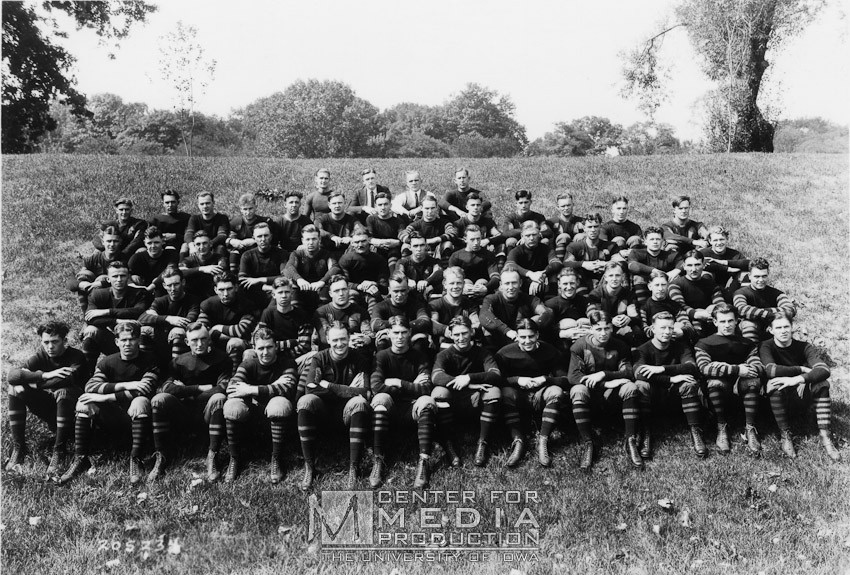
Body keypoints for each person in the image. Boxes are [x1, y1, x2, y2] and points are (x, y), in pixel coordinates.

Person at [59, 321, 158, 485]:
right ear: (116, 341)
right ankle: (81, 457)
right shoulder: (107, 362)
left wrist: (104, 397)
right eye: (123, 339)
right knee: (85, 402)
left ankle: (136, 457)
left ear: (139, 340)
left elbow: (144, 389)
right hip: (112, 415)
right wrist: (127, 384)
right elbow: (91, 386)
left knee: (140, 401)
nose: (127, 343)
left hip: (137, 417)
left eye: (132, 339)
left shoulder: (150, 360)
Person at [5, 321, 91, 477]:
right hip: (51, 409)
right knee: (15, 388)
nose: (50, 347)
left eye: (55, 342)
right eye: (46, 342)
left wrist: (32, 382)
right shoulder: (40, 357)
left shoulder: (76, 356)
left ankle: (60, 449)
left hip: (75, 415)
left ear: (65, 341)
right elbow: (12, 376)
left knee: (63, 392)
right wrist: (45, 375)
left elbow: (64, 380)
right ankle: (19, 447)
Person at [149, 322, 230, 482]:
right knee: (159, 400)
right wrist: (202, 387)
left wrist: (185, 391)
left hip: (209, 412)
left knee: (219, 399)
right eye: (194, 340)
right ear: (187, 342)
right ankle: (161, 455)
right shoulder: (178, 361)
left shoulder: (222, 359)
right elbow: (168, 389)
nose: (199, 344)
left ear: (209, 340)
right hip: (182, 413)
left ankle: (212, 455)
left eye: (203, 339)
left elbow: (222, 389)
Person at [296, 322, 371, 490]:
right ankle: (309, 466)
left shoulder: (359, 359)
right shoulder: (319, 358)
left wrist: (329, 386)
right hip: (323, 409)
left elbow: (365, 392)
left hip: (347, 411)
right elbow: (310, 387)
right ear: (328, 340)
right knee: (305, 401)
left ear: (349, 338)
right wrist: (349, 389)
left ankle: (354, 467)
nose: (339, 344)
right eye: (335, 340)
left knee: (360, 402)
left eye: (343, 339)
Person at [759, 312, 841, 461]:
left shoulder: (804, 346)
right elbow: (771, 370)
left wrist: (798, 380)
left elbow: (824, 369)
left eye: (786, 326)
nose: (783, 331)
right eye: (778, 327)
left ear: (792, 328)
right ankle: (785, 434)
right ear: (771, 330)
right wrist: (801, 370)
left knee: (822, 384)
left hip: (799, 396)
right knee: (775, 383)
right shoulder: (766, 346)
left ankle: (825, 435)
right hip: (776, 402)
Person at [568, 311, 642, 469]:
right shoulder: (580, 346)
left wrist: (604, 374)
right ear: (591, 329)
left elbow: (628, 372)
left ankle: (630, 439)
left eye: (607, 328)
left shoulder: (620, 345)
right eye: (598, 328)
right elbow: (574, 376)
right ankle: (588, 441)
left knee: (630, 386)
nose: (603, 333)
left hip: (612, 394)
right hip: (592, 393)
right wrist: (605, 383)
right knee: (577, 390)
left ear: (612, 328)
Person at [369, 316, 437, 488]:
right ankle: (378, 460)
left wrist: (399, 383)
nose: (399, 337)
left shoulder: (419, 356)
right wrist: (412, 385)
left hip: (412, 406)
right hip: (391, 406)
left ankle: (424, 461)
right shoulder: (381, 356)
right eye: (396, 333)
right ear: (389, 334)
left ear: (410, 333)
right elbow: (377, 386)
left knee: (426, 401)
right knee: (380, 399)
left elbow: (426, 388)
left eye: (403, 333)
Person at [224, 326, 298, 482]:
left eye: (269, 347)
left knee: (279, 403)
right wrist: (273, 386)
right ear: (254, 349)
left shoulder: (287, 363)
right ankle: (234, 458)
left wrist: (251, 390)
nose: (265, 352)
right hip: (252, 415)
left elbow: (287, 388)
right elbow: (232, 388)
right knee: (233, 406)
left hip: (278, 416)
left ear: (276, 346)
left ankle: (276, 458)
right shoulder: (249, 364)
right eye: (261, 348)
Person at [496, 319, 569, 468]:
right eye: (522, 337)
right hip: (517, 395)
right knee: (504, 393)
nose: (527, 341)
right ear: (517, 336)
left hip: (540, 394)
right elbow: (497, 380)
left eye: (531, 336)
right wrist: (517, 380)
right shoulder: (505, 353)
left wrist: (545, 379)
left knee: (556, 391)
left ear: (537, 335)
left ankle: (543, 440)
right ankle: (518, 441)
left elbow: (565, 379)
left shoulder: (550, 351)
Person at [694, 304, 764, 455]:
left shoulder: (746, 343)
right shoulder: (705, 343)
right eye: (723, 321)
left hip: (741, 388)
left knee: (753, 381)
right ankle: (721, 426)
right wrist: (737, 369)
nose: (727, 325)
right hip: (719, 390)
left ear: (737, 321)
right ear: (715, 322)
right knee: (714, 382)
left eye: (730, 321)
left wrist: (722, 367)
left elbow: (757, 367)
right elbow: (704, 368)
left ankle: (750, 427)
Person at [431, 316, 502, 467]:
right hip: (455, 397)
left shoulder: (483, 353)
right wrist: (466, 384)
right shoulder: (444, 354)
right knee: (438, 393)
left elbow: (495, 375)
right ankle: (448, 443)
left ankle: (483, 442)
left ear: (471, 332)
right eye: (456, 334)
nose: (461, 338)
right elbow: (436, 377)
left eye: (464, 333)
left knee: (494, 392)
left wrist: (470, 377)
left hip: (475, 399)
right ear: (450, 334)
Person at [633, 312, 704, 459]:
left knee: (689, 381)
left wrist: (663, 369)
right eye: (662, 328)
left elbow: (692, 367)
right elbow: (639, 373)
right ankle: (646, 431)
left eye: (670, 328)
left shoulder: (681, 347)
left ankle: (695, 431)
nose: (667, 332)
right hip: (653, 397)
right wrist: (670, 379)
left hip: (674, 397)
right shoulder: (642, 350)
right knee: (640, 384)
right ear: (653, 328)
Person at [80, 260, 148, 365]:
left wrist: (107, 312)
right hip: (113, 340)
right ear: (108, 279)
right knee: (91, 330)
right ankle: (87, 373)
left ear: (128, 277)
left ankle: (145, 366)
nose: (119, 280)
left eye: (123, 276)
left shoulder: (139, 293)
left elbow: (138, 311)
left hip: (135, 341)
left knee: (145, 330)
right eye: (115, 276)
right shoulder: (98, 295)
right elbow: (91, 318)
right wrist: (117, 321)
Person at [138, 266, 201, 362]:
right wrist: (169, 319)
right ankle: (146, 365)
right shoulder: (160, 301)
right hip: (162, 338)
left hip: (183, 340)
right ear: (164, 285)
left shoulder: (193, 301)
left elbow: (188, 322)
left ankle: (176, 370)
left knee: (177, 331)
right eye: (169, 285)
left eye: (176, 284)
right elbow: (142, 318)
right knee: (145, 329)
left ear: (183, 282)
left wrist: (157, 318)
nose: (172, 289)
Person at [480, 266, 551, 350]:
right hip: (501, 341)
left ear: (520, 283)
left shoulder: (530, 299)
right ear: (501, 284)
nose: (510, 287)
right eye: (507, 283)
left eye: (514, 283)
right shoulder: (492, 299)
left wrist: (529, 326)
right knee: (485, 329)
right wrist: (507, 331)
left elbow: (547, 313)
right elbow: (484, 315)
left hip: (525, 341)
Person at [198, 272, 257, 367]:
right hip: (215, 342)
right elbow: (201, 329)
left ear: (236, 288)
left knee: (234, 343)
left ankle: (234, 377)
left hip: (242, 343)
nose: (225, 294)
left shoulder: (246, 305)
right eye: (221, 290)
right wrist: (221, 335)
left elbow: (242, 331)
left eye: (229, 289)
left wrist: (219, 328)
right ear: (215, 290)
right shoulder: (208, 305)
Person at [733, 258, 796, 343]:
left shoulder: (776, 293)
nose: (761, 280)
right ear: (749, 276)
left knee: (785, 325)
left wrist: (761, 312)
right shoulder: (740, 293)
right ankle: (752, 353)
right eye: (757, 276)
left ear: (768, 274)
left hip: (770, 328)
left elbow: (790, 309)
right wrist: (771, 314)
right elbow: (742, 309)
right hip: (746, 332)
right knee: (749, 324)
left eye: (764, 276)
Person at [67, 224, 127, 312]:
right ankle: (87, 314)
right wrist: (81, 284)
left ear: (120, 241)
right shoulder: (93, 259)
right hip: (94, 294)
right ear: (103, 242)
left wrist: (101, 283)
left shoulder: (125, 259)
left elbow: (126, 280)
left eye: (115, 241)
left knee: (102, 278)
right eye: (109, 241)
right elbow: (72, 281)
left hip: (116, 293)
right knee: (84, 276)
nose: (112, 244)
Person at [370, 271, 431, 354]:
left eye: (403, 290)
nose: (399, 294)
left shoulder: (416, 305)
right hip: (390, 340)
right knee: (382, 340)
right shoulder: (380, 306)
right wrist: (390, 325)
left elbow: (425, 321)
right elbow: (374, 324)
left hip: (410, 338)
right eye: (396, 291)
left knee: (421, 340)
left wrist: (399, 328)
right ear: (389, 290)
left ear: (408, 289)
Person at [258, 277, 313, 367]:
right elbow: (261, 342)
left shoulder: (301, 315)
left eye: (287, 292)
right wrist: (292, 342)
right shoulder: (268, 313)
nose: (284, 296)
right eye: (280, 292)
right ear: (273, 295)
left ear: (292, 293)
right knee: (249, 353)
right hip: (271, 359)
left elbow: (304, 347)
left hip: (295, 359)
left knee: (313, 355)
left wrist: (277, 349)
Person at [668, 250, 724, 338]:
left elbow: (720, 303)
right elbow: (679, 305)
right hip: (686, 320)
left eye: (697, 265)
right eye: (689, 265)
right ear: (684, 266)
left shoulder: (711, 284)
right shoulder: (676, 284)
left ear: (703, 265)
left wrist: (712, 312)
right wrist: (695, 313)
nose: (693, 269)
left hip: (709, 317)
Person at [337, 225, 390, 315]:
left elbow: (384, 284)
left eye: (363, 241)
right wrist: (359, 286)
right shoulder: (346, 259)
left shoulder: (379, 259)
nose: (360, 245)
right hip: (353, 290)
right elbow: (343, 282)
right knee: (351, 299)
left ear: (369, 240)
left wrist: (374, 284)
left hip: (372, 290)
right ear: (352, 243)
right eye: (357, 242)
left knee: (373, 299)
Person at [586, 262, 642, 344]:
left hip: (620, 327)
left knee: (636, 331)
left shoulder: (629, 294)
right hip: (602, 327)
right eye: (611, 275)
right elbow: (594, 317)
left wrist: (629, 319)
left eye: (617, 275)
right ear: (605, 277)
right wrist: (611, 320)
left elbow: (635, 316)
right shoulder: (595, 295)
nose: (614, 279)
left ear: (623, 277)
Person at [314, 274, 374, 350]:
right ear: (330, 294)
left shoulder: (360, 311)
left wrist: (367, 338)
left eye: (344, 289)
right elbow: (324, 339)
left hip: (355, 353)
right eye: (336, 291)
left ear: (348, 290)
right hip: (330, 355)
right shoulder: (321, 312)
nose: (341, 294)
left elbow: (369, 334)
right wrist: (347, 342)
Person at [284, 224, 336, 312]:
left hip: (320, 289)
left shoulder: (327, 254)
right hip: (302, 289)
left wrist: (322, 281)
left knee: (325, 295)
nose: (311, 242)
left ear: (319, 240)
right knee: (292, 292)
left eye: (314, 239)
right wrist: (299, 279)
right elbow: (289, 268)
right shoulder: (297, 254)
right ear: (302, 240)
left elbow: (335, 268)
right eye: (307, 239)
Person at [627, 226, 682, 306]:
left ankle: (677, 307)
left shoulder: (670, 255)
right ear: (645, 242)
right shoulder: (637, 253)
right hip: (644, 287)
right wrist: (654, 271)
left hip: (663, 288)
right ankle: (644, 308)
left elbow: (683, 262)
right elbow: (632, 266)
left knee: (677, 277)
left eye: (658, 239)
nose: (655, 242)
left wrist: (676, 271)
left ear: (663, 242)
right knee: (638, 277)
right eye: (652, 239)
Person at [237, 222, 288, 308]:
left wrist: (259, 280)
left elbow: (285, 278)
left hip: (276, 293)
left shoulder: (282, 254)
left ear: (271, 236)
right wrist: (265, 287)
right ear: (254, 238)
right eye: (259, 236)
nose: (263, 239)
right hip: (254, 293)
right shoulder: (247, 255)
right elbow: (243, 280)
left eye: (266, 235)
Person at [506, 221, 562, 297]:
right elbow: (509, 265)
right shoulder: (516, 251)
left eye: (534, 235)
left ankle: (551, 300)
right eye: (528, 235)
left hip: (542, 280)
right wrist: (530, 274)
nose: (531, 238)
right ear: (522, 236)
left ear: (539, 235)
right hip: (524, 282)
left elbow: (556, 263)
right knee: (511, 274)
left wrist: (542, 275)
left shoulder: (546, 249)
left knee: (554, 273)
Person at [430, 267, 481, 349]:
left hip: (465, 345)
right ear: (445, 284)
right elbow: (432, 323)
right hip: (444, 347)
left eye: (459, 283)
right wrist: (448, 330)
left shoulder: (470, 304)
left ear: (464, 283)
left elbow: (476, 323)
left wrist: (464, 333)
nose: (455, 286)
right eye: (451, 283)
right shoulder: (435, 305)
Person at [639, 270, 695, 343]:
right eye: (657, 285)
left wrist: (682, 330)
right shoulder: (644, 307)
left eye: (663, 285)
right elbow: (644, 330)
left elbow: (689, 327)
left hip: (675, 342)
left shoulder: (675, 305)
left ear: (668, 285)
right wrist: (669, 330)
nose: (660, 289)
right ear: (650, 286)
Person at [562, 213, 613, 293]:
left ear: (600, 227)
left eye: (596, 226)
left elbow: (621, 262)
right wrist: (584, 264)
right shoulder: (575, 247)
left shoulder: (610, 246)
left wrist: (605, 264)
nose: (593, 230)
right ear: (584, 228)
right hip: (582, 282)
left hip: (604, 282)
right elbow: (566, 263)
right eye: (589, 227)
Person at [448, 225, 501, 299]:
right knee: (466, 281)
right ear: (465, 239)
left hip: (483, 290)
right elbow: (450, 278)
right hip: (463, 292)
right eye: (472, 239)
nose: (476, 242)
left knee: (481, 281)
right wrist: (462, 287)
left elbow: (495, 278)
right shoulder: (456, 256)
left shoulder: (488, 255)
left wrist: (486, 288)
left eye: (478, 239)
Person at [698, 226, 750, 301]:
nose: (719, 243)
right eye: (715, 240)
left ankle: (742, 301)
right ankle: (706, 301)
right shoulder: (703, 253)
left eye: (721, 239)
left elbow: (748, 264)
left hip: (731, 286)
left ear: (727, 239)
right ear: (710, 241)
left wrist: (723, 262)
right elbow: (703, 265)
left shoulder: (735, 254)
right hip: (711, 287)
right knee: (704, 273)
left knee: (745, 274)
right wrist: (728, 269)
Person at [543, 269, 590, 351]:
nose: (569, 287)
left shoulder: (584, 301)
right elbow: (545, 331)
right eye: (565, 284)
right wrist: (563, 333)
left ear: (577, 283)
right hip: (560, 346)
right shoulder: (550, 304)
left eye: (572, 283)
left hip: (583, 343)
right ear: (559, 284)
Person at [399, 196, 457, 263]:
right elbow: (402, 235)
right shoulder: (415, 224)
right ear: (421, 209)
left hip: (437, 253)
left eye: (432, 208)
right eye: (427, 208)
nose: (430, 211)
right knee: (405, 246)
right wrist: (420, 241)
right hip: (420, 254)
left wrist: (436, 239)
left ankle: (445, 268)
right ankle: (407, 268)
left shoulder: (444, 223)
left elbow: (453, 233)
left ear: (437, 208)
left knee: (447, 244)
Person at [128, 227, 179, 297]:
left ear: (163, 241)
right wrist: (132, 283)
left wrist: (152, 285)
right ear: (145, 243)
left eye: (156, 242)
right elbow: (125, 273)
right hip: (142, 292)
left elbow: (170, 269)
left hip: (165, 292)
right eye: (149, 243)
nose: (153, 246)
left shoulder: (171, 254)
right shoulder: (137, 258)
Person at [227, 192, 270, 274]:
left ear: (256, 207)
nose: (248, 212)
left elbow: (271, 238)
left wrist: (253, 241)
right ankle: (234, 276)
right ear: (240, 209)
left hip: (258, 249)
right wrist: (232, 240)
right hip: (240, 248)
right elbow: (230, 237)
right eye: (245, 209)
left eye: (250, 208)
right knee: (233, 253)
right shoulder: (235, 222)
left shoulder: (264, 221)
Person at [179, 230, 228, 299]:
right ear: (194, 246)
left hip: (212, 295)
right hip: (193, 295)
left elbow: (222, 269)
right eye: (198, 244)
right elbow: (179, 273)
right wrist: (202, 269)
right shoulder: (188, 260)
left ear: (210, 244)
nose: (201, 247)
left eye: (205, 243)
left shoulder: (219, 258)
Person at [395, 232, 442, 299]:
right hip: (409, 298)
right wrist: (407, 280)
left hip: (428, 297)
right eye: (415, 246)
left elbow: (439, 272)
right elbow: (398, 274)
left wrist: (427, 281)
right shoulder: (402, 262)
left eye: (422, 245)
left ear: (426, 246)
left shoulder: (434, 261)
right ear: (410, 247)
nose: (419, 249)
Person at [184, 191, 230, 257]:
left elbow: (222, 236)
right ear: (198, 205)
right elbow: (188, 234)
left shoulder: (222, 218)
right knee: (185, 246)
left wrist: (207, 245)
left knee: (220, 247)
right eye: (202, 204)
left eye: (207, 203)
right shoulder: (194, 218)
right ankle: (182, 266)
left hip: (214, 247)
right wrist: (191, 246)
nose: (205, 206)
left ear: (213, 203)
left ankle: (221, 267)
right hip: (198, 248)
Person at [365, 191, 404, 268]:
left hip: (393, 248)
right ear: (376, 206)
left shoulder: (398, 220)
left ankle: (393, 277)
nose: (383, 207)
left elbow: (402, 236)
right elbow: (368, 236)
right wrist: (380, 242)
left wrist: (396, 242)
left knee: (393, 258)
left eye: (386, 204)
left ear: (390, 205)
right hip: (377, 247)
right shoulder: (371, 219)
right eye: (380, 205)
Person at [315, 191, 357, 259]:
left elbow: (361, 230)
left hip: (346, 254)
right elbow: (316, 230)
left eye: (340, 203)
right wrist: (331, 236)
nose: (337, 206)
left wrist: (352, 238)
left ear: (345, 203)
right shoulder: (322, 219)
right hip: (326, 254)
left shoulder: (352, 219)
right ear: (329, 205)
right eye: (334, 203)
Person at [600, 196, 643, 260]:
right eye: (618, 208)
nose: (621, 212)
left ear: (627, 210)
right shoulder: (605, 227)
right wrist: (618, 251)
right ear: (612, 210)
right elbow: (603, 248)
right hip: (614, 259)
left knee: (635, 239)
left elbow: (643, 247)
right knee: (619, 240)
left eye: (624, 208)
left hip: (633, 258)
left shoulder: (635, 227)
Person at [149, 189, 190, 254]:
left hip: (181, 247)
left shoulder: (186, 218)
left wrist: (175, 236)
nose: (170, 205)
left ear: (178, 202)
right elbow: (150, 236)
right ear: (163, 204)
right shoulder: (156, 219)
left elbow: (190, 236)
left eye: (173, 202)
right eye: (167, 202)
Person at [548, 192, 584, 261]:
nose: (566, 208)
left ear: (573, 205)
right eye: (563, 206)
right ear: (557, 207)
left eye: (568, 205)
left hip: (576, 254)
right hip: (557, 253)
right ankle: (559, 266)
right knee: (563, 237)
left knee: (580, 236)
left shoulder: (582, 221)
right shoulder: (551, 222)